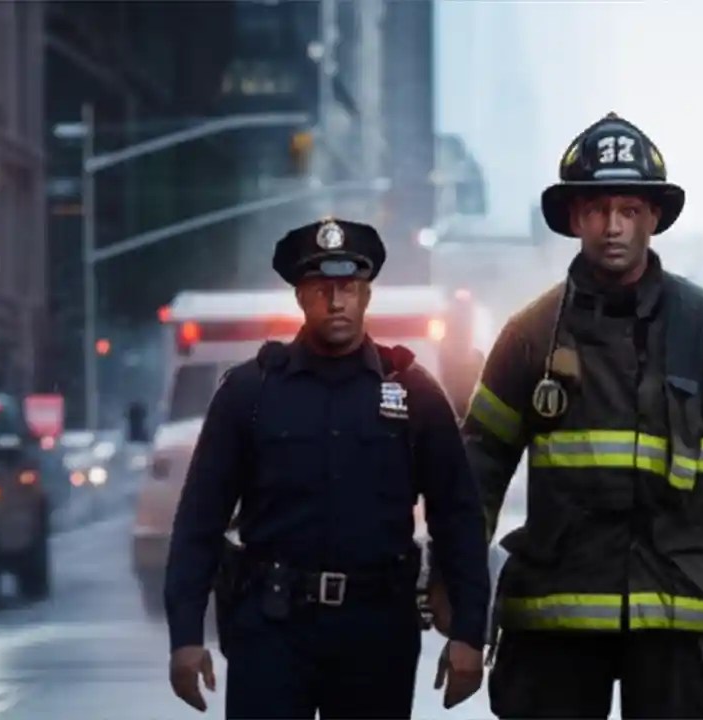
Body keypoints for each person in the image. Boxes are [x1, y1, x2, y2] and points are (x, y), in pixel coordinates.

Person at [460, 112, 703, 719]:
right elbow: (479, 464)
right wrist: (458, 584)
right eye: (596, 210)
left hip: (680, 605)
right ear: (574, 219)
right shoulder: (530, 334)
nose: (612, 227)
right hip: (559, 609)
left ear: (653, 217)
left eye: (627, 210)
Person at [162, 218, 490, 719]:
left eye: (349, 287)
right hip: (271, 631)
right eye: (321, 288)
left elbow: (458, 516)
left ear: (366, 294)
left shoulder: (414, 392)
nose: (336, 302)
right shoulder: (250, 393)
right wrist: (185, 637)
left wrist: (469, 631)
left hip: (376, 631)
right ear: (300, 296)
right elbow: (198, 521)